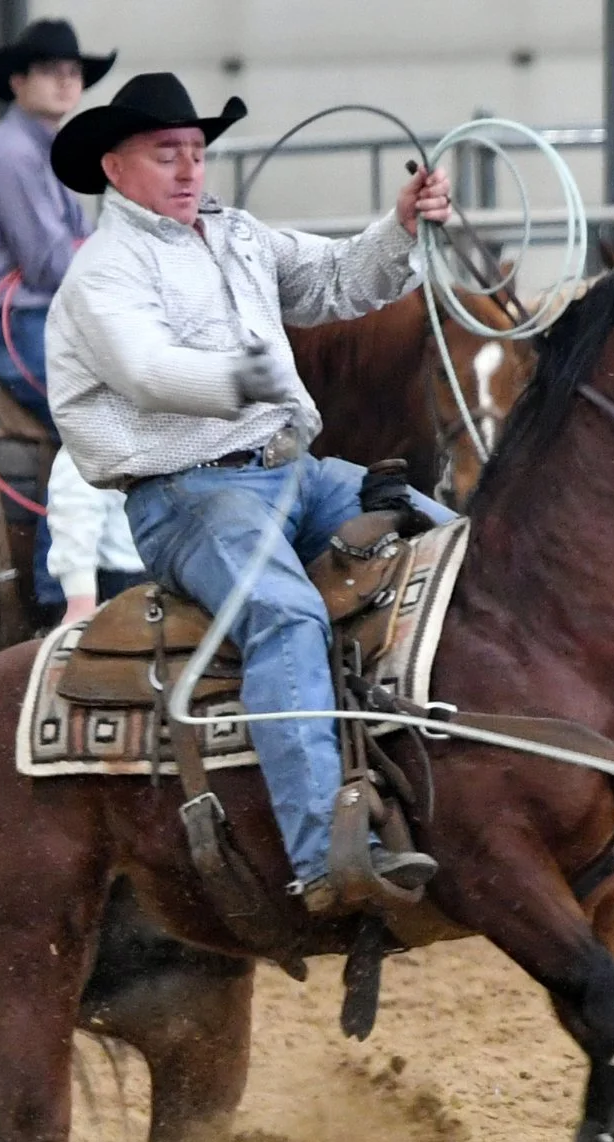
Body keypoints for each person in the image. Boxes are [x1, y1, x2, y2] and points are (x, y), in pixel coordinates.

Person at [46, 73, 459, 916]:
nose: (188, 168)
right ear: (115, 168)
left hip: (292, 473)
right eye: (166, 153)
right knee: (284, 614)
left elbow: (340, 278)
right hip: (189, 496)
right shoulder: (102, 273)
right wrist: (250, 375)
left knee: (453, 542)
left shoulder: (238, 236)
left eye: (196, 151)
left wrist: (401, 227)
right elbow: (146, 371)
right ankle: (324, 853)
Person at [0, 18, 141, 623]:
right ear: (19, 81)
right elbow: (52, 262)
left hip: (37, 313)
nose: (66, 82)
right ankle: (65, 594)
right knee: (91, 410)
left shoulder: (39, 151)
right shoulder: (15, 157)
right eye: (51, 71)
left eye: (73, 73)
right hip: (12, 321)